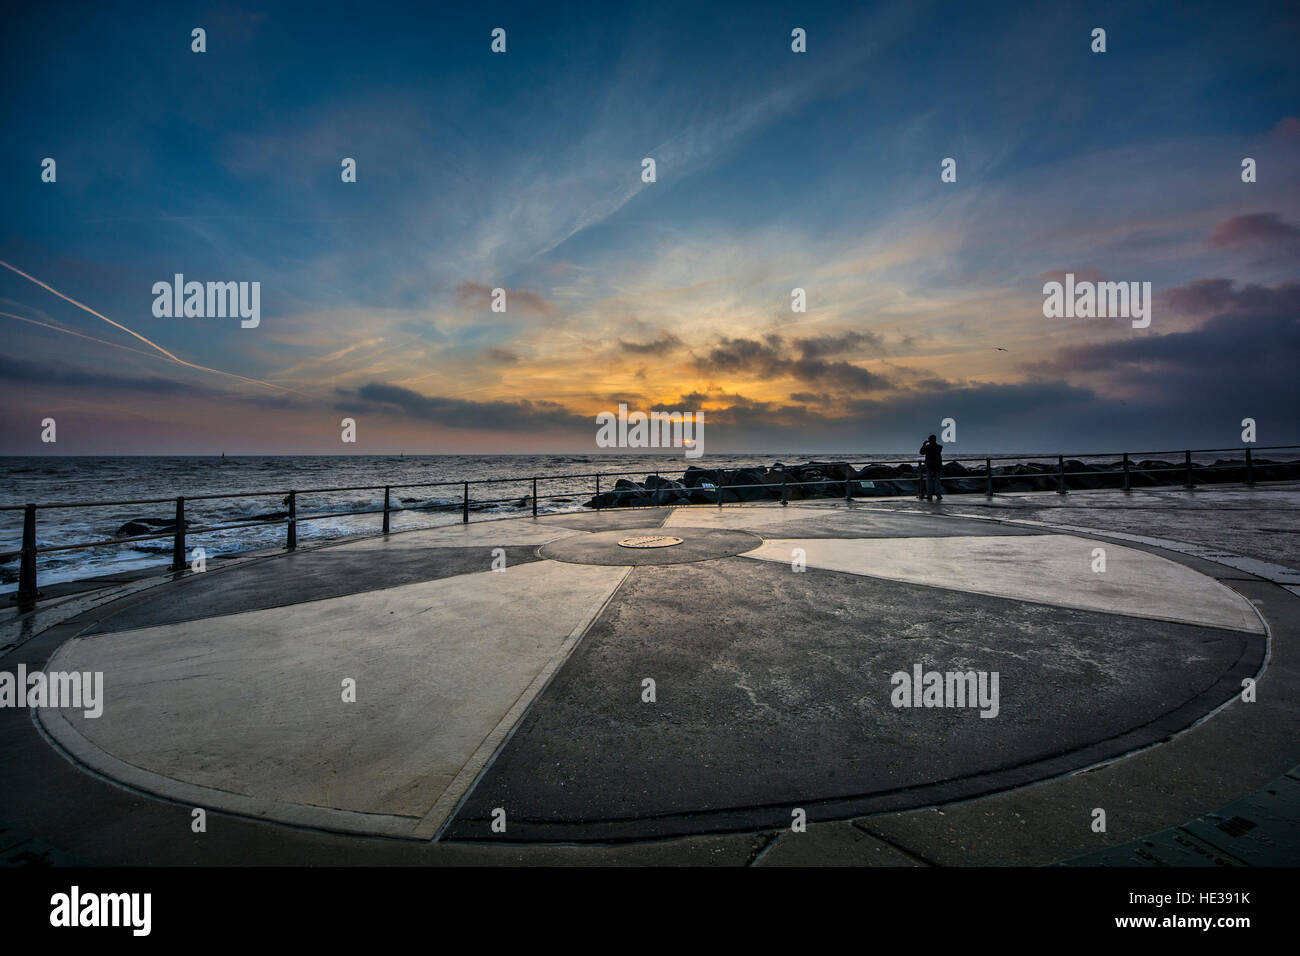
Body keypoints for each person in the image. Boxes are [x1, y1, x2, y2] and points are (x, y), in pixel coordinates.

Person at [919, 434, 943, 501]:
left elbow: (921, 452)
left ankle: (929, 495)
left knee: (929, 481)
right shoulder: (939, 447)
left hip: (930, 466)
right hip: (938, 466)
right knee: (937, 481)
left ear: (929, 440)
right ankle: (938, 495)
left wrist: (924, 444)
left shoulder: (927, 447)